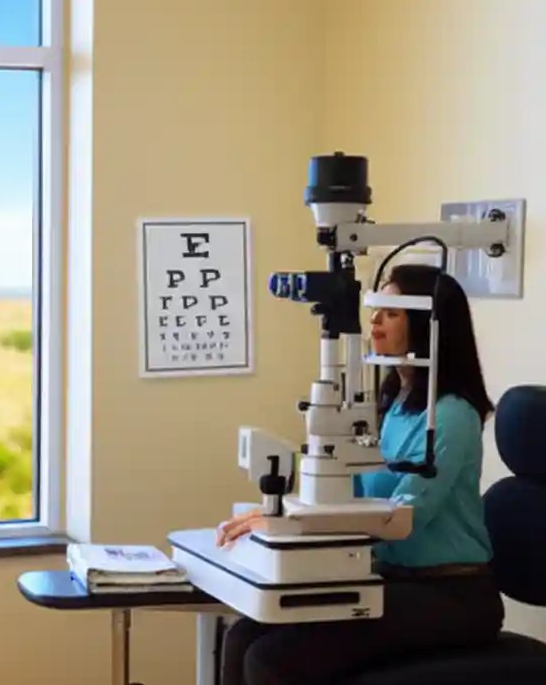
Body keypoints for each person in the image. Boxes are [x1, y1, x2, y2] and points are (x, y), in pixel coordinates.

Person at [216, 263, 505, 685]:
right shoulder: (392, 404)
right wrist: (278, 519)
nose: (374, 320)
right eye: (376, 308)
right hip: (388, 580)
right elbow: (348, 496)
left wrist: (290, 524)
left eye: (391, 311)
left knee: (272, 659)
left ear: (427, 324)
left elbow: (407, 516)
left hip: (451, 595)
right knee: (243, 635)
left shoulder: (451, 416)